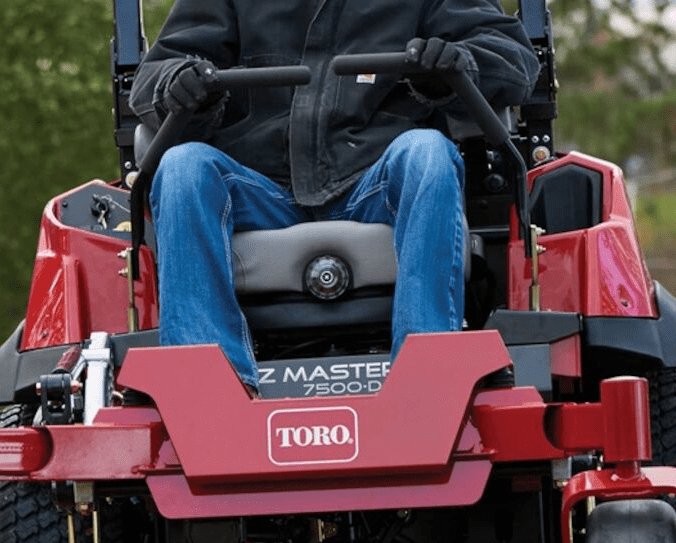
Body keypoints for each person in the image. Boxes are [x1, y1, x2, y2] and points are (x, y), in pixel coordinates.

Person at [130, 0, 539, 393]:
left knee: (428, 151)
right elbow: (155, 75)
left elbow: (513, 60)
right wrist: (178, 84)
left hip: (375, 186)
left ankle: (427, 375)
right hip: (259, 190)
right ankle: (207, 387)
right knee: (183, 165)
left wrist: (456, 65)